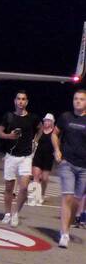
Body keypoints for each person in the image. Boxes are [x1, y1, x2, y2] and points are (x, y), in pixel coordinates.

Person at [50, 88, 86, 248]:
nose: (78, 101)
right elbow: (54, 134)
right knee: (68, 197)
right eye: (75, 99)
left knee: (77, 203)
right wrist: (57, 150)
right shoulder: (66, 117)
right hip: (67, 163)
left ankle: (67, 229)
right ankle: (64, 234)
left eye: (81, 99)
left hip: (84, 167)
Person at [0, 91, 36, 227]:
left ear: (27, 102)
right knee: (9, 188)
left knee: (24, 188)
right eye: (18, 99)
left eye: (23, 99)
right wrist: (9, 136)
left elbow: (41, 129)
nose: (21, 101)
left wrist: (34, 141)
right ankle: (7, 213)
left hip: (25, 157)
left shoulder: (33, 118)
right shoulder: (8, 116)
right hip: (10, 156)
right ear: (15, 101)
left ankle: (16, 213)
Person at [29, 112, 56, 205]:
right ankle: (34, 197)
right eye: (45, 120)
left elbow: (58, 144)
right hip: (38, 156)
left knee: (44, 179)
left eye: (49, 121)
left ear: (52, 122)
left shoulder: (54, 133)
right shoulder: (40, 132)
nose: (46, 122)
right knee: (35, 177)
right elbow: (34, 142)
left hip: (48, 158)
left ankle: (42, 195)